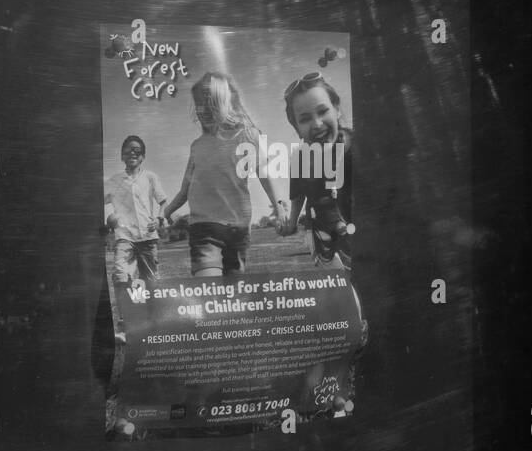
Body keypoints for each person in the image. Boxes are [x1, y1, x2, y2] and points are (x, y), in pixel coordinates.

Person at [164, 71, 285, 277]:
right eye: (198, 104)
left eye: (209, 103)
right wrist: (168, 210)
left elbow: (264, 174)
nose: (202, 110)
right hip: (204, 227)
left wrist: (279, 206)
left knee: (232, 294)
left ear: (224, 102)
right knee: (208, 288)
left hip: (237, 230)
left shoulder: (247, 136)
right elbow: (185, 188)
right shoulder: (197, 146)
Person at [277, 72, 354, 268]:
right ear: (296, 127)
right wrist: (292, 222)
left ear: (336, 109)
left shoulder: (357, 145)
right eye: (304, 119)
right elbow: (297, 196)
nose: (317, 124)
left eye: (322, 111)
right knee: (339, 288)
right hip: (321, 235)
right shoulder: (299, 158)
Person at [104, 134, 166, 340]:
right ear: (122, 155)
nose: (132, 152)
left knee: (151, 281)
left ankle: (154, 322)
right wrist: (108, 220)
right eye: (128, 150)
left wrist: (159, 218)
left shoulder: (151, 177)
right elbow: (96, 201)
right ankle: (123, 325)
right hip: (124, 237)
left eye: (137, 151)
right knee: (121, 275)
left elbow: (163, 202)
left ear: (143, 157)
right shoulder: (113, 181)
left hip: (148, 238)